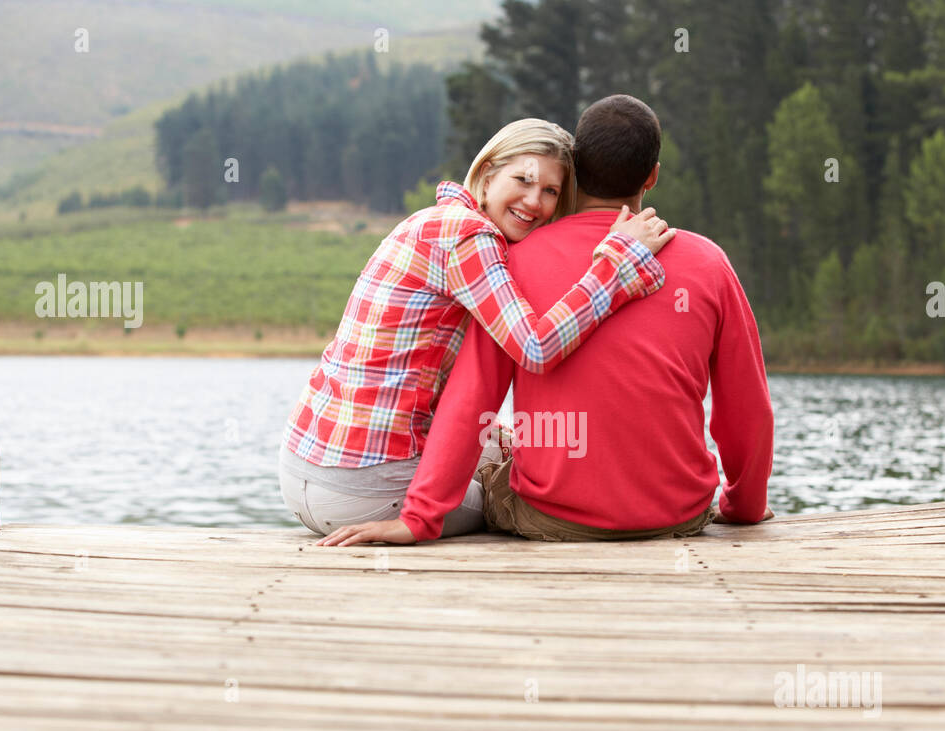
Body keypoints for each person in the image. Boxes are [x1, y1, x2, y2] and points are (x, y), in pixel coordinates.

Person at [319, 95, 773, 547]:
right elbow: (747, 408)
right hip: (678, 513)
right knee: (508, 439)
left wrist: (419, 518)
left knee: (500, 457)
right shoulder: (709, 263)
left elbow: (472, 397)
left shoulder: (514, 261)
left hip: (552, 518)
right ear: (652, 175)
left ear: (575, 170)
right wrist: (745, 504)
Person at [278, 117, 675, 538]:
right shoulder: (472, 238)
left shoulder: (432, 220)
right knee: (519, 499)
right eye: (523, 179)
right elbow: (535, 348)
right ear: (487, 174)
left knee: (505, 444)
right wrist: (619, 263)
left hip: (302, 468)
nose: (533, 201)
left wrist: (509, 439)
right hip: (365, 490)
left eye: (550, 192)